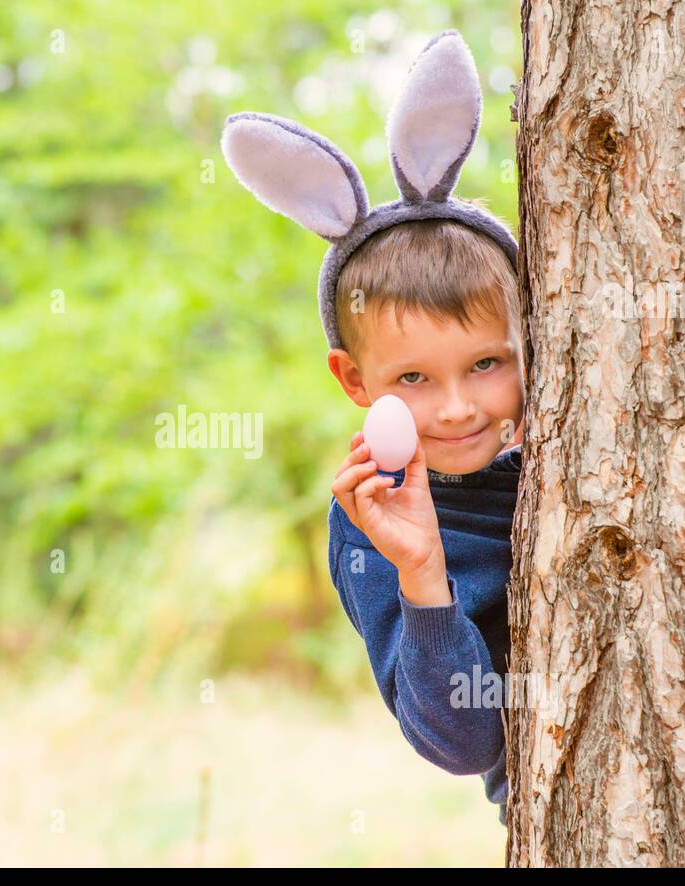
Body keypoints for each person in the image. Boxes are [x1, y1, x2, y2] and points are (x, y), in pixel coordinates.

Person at [222, 30, 526, 826]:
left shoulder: (563, 447)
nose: (459, 407)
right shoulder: (372, 524)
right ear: (355, 382)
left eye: (488, 363)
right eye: (414, 379)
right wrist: (422, 573)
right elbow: (464, 745)